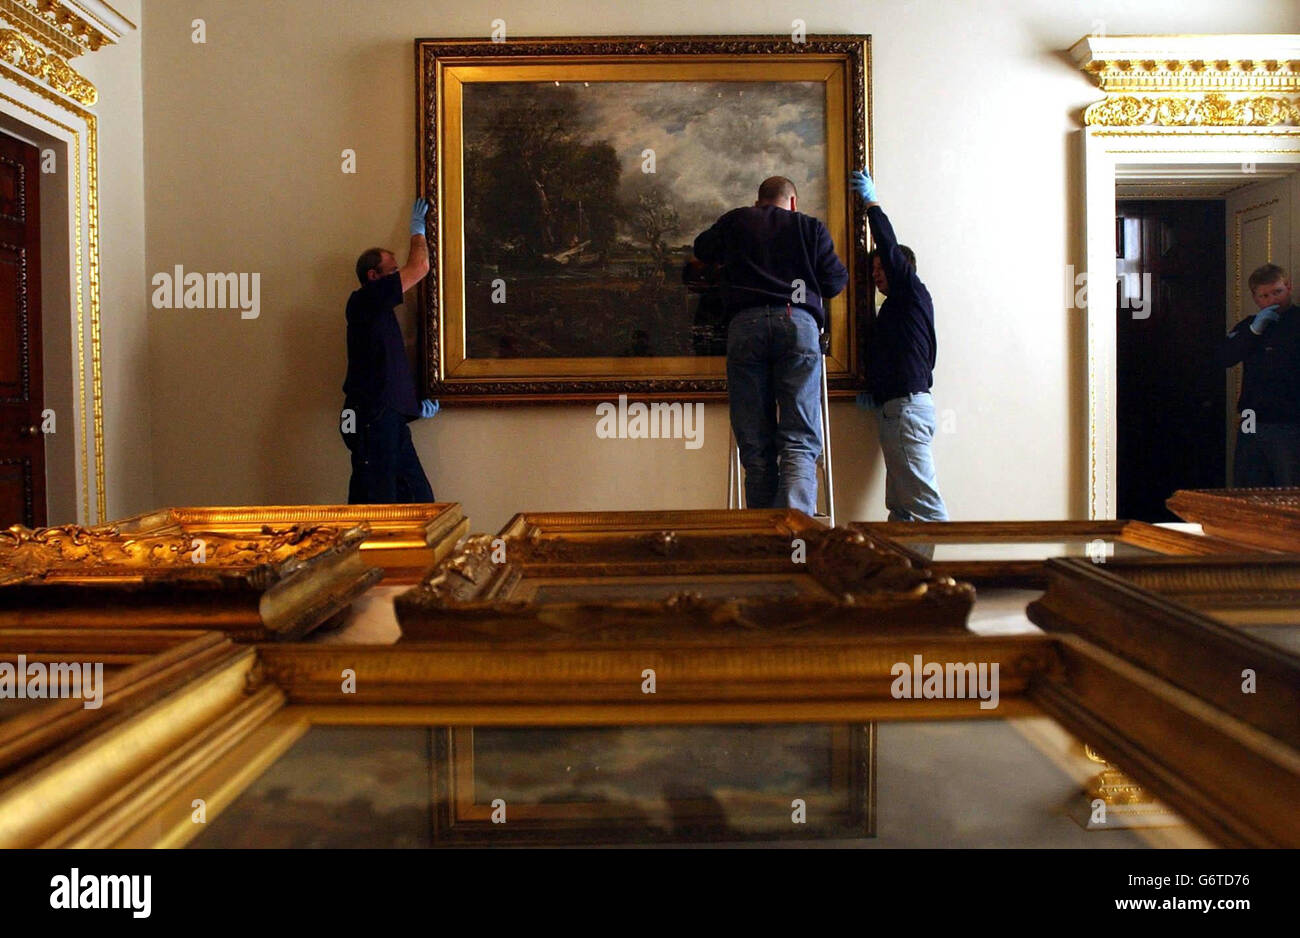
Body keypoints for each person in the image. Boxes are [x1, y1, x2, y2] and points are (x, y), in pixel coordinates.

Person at [693, 176, 848, 514]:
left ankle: (763, 535)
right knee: (799, 439)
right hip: (798, 323)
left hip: (745, 325)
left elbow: (702, 249)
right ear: (792, 202)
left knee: (756, 443)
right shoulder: (809, 226)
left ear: (758, 200)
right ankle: (794, 537)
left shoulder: (738, 220)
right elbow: (836, 281)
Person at [851, 168, 948, 521]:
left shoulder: (911, 291)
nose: (877, 274)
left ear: (901, 269)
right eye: (873, 269)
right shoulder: (897, 309)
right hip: (898, 409)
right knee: (902, 510)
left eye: (882, 268)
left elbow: (889, 245)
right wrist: (876, 392)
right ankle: (906, 575)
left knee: (927, 511)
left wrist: (871, 203)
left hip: (906, 411)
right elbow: (896, 355)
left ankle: (952, 575)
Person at [340, 197, 441, 504]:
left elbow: (386, 365)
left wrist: (410, 406)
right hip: (372, 418)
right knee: (377, 507)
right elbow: (420, 266)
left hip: (387, 419)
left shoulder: (377, 312)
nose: (400, 277)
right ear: (374, 276)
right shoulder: (366, 300)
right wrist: (416, 231)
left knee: (419, 502)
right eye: (392, 270)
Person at [1217, 262, 1299, 486]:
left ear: (1288, 287)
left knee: (1288, 485)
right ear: (1255, 298)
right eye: (1264, 296)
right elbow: (1224, 358)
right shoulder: (1249, 326)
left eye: (1277, 292)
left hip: (1288, 421)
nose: (1272, 300)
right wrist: (1254, 331)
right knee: (1247, 482)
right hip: (1250, 418)